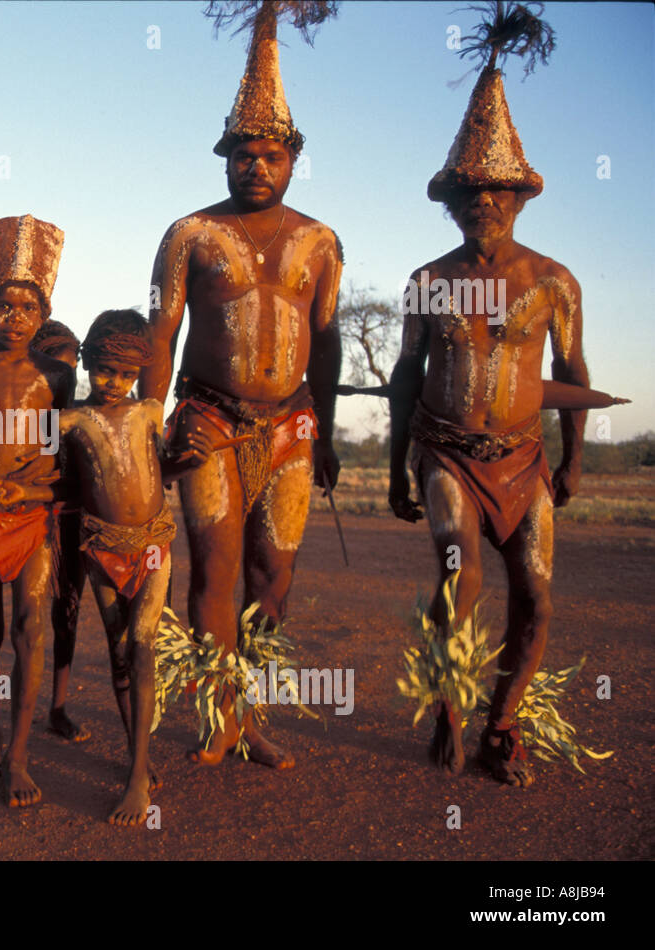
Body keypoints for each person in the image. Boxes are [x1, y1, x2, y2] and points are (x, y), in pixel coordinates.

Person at [386, 6, 586, 786]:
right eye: (470, 196)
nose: (484, 207)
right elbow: (406, 376)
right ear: (452, 202)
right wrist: (404, 464)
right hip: (447, 456)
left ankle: (501, 726)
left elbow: (570, 371)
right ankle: (448, 701)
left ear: (520, 199)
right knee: (459, 576)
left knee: (536, 596)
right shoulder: (429, 283)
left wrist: (572, 463)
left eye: (497, 195)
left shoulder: (552, 282)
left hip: (525, 459)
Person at [141, 1, 341, 768]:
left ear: (293, 159)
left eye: (270, 155)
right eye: (242, 154)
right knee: (214, 571)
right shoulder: (189, 234)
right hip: (207, 421)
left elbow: (323, 345)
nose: (256, 166)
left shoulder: (320, 241)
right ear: (223, 158)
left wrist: (318, 428)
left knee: (274, 578)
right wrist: (156, 428)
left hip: (290, 425)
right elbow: (161, 335)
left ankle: (249, 711)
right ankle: (216, 714)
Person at [58, 310, 210, 824]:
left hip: (151, 548)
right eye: (104, 371)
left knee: (142, 648)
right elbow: (59, 484)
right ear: (86, 364)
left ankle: (138, 776)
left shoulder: (148, 412)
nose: (112, 383)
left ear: (139, 374)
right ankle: (135, 756)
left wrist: (190, 459)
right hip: (100, 550)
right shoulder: (71, 422)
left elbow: (164, 468)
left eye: (124, 374)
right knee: (119, 653)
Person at [0, 214, 73, 807]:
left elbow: (65, 459)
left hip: (34, 520)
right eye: (4, 306)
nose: (16, 318)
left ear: (43, 314)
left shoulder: (58, 375)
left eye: (29, 308)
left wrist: (30, 494)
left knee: (32, 628)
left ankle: (20, 755)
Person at [29, 321, 90, 742]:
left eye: (69, 370)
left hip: (72, 520)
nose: (63, 381)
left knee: (67, 610)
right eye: (55, 372)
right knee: (20, 620)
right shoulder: (20, 416)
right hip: (26, 520)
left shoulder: (84, 417)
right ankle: (1, 720)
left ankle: (57, 707)